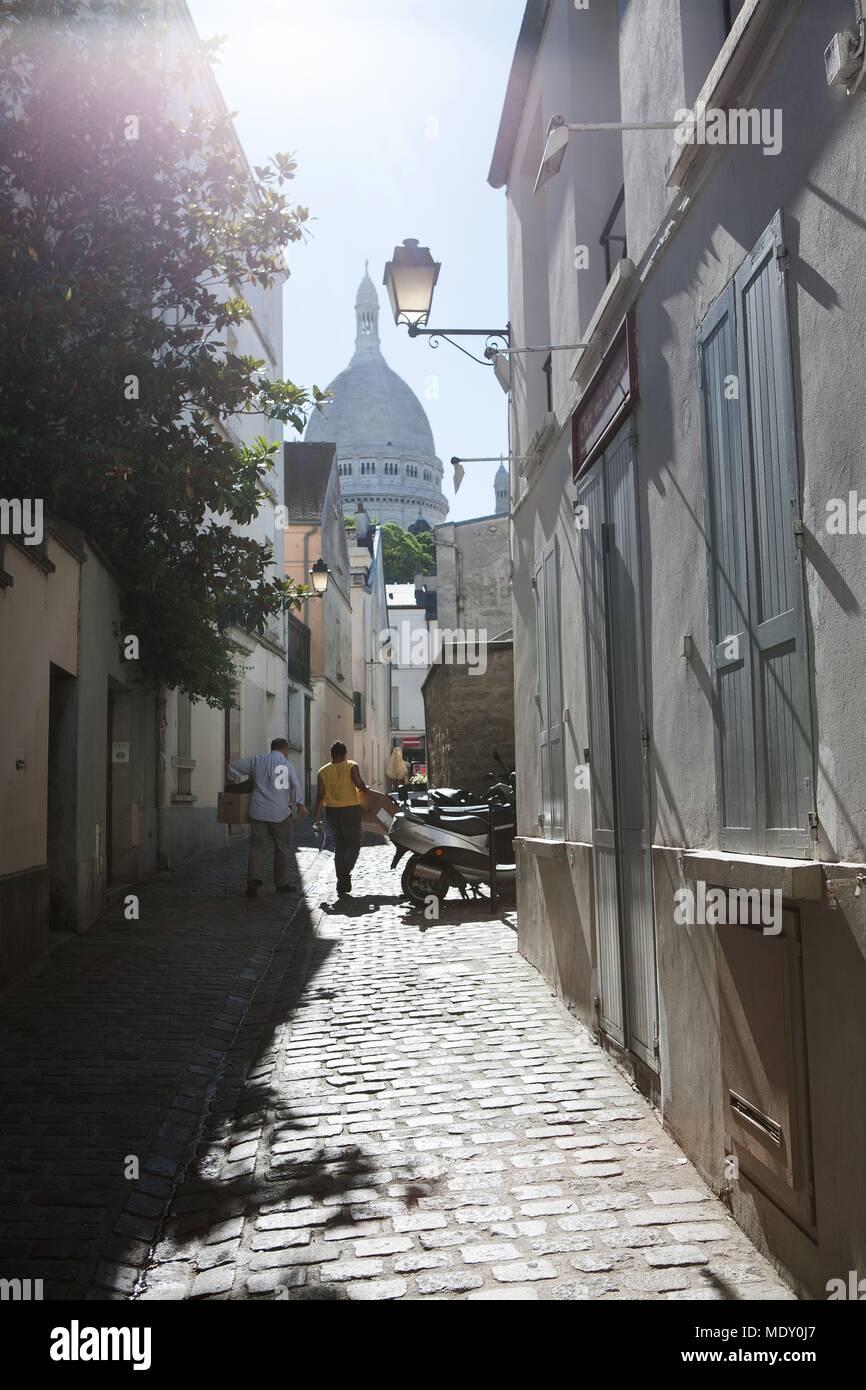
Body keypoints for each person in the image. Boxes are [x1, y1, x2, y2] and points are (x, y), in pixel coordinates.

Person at [227, 738, 307, 898]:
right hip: (280, 813)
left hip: (258, 811)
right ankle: (281, 883)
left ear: (272, 748)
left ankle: (253, 881)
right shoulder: (287, 765)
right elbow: (295, 785)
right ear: (284, 749)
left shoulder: (257, 760)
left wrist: (230, 779)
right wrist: (299, 804)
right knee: (282, 848)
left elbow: (233, 767)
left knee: (257, 847)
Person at [313, 741, 368, 897]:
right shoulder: (351, 765)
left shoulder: (322, 771)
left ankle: (342, 880)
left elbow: (320, 796)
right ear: (345, 754)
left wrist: (316, 818)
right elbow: (359, 783)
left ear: (331, 755)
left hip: (331, 811)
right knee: (354, 845)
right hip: (350, 810)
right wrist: (366, 788)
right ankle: (343, 877)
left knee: (340, 846)